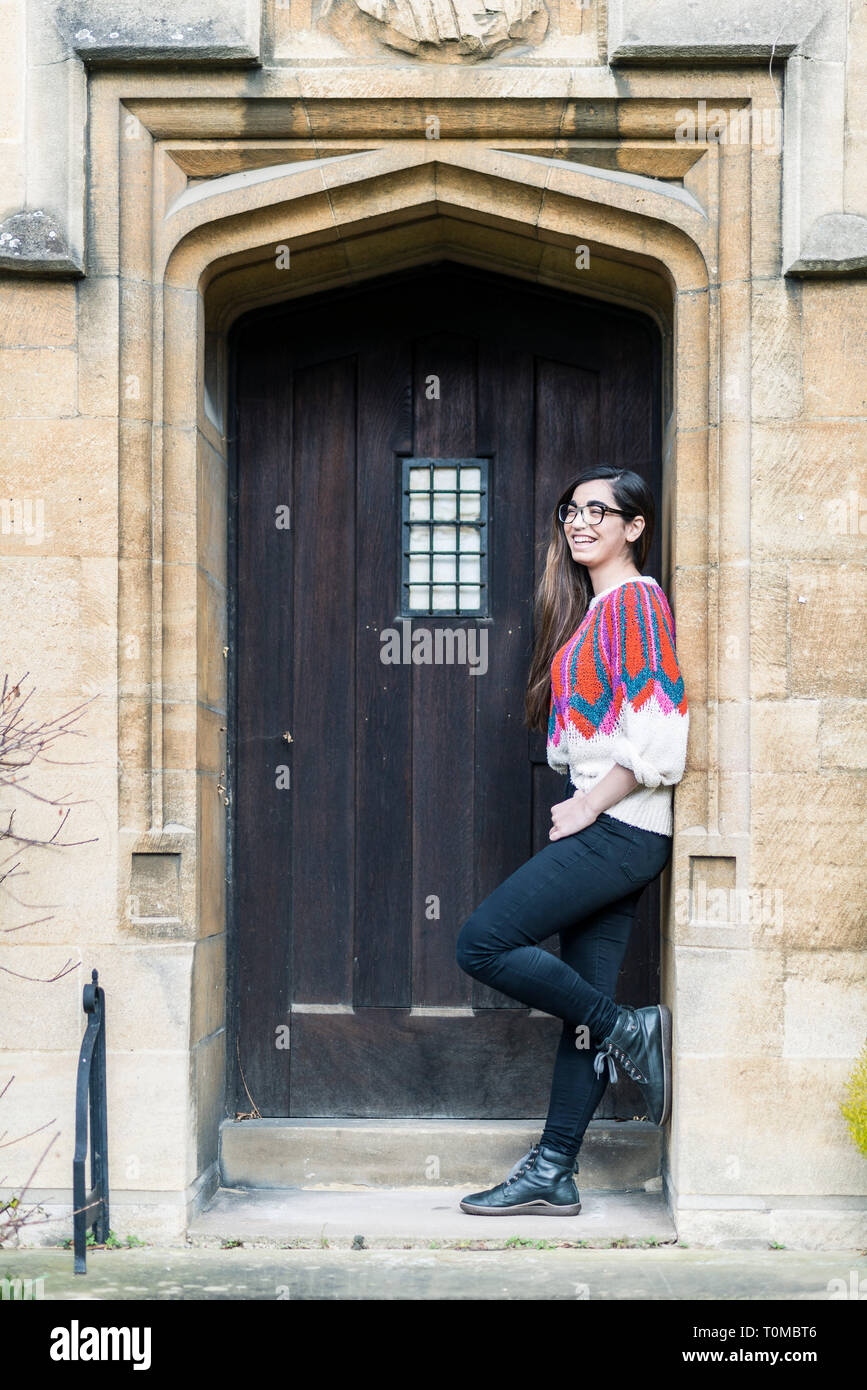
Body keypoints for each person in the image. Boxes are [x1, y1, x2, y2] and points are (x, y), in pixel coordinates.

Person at [454, 467, 689, 1215]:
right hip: (617, 826)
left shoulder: (637, 607)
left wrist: (587, 804)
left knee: (481, 942)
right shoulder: (598, 610)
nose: (579, 521)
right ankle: (554, 1168)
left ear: (634, 526)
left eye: (599, 510)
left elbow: (662, 737)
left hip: (619, 827)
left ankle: (629, 1029)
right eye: (571, 510)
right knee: (582, 1011)